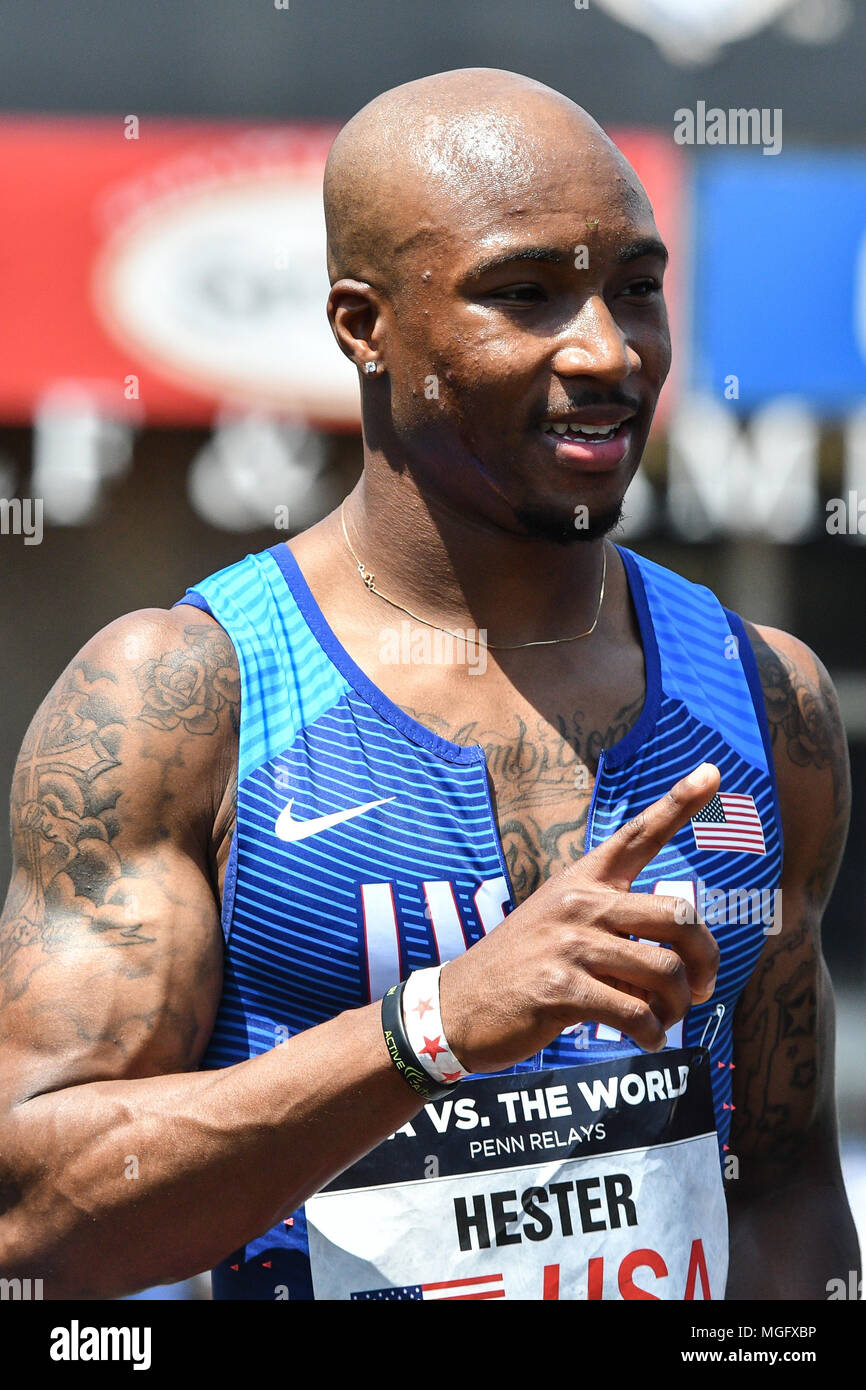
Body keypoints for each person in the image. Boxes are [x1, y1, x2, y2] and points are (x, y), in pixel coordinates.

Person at [0, 69, 857, 1302]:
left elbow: (779, 1191)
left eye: (634, 289)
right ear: (364, 325)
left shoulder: (766, 701)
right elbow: (33, 1224)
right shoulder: (181, 697)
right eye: (524, 296)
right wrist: (435, 1024)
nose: (607, 351)